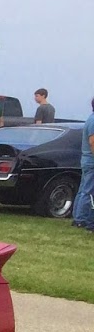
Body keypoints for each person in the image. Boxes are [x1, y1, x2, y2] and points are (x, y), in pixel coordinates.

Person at [74, 96, 94, 233]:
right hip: (91, 160)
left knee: (83, 189)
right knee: (88, 191)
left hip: (87, 160)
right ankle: (81, 219)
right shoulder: (93, 120)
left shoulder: (90, 118)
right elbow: (92, 142)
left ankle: (77, 216)